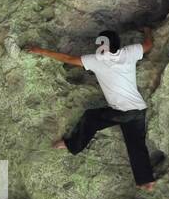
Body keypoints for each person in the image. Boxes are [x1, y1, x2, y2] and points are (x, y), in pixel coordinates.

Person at [25, 27, 157, 190]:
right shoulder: (129, 52)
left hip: (122, 112)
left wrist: (41, 51)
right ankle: (147, 181)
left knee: (91, 117)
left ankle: (71, 145)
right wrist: (147, 32)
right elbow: (148, 45)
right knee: (136, 145)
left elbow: (68, 58)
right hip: (138, 110)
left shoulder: (97, 60)